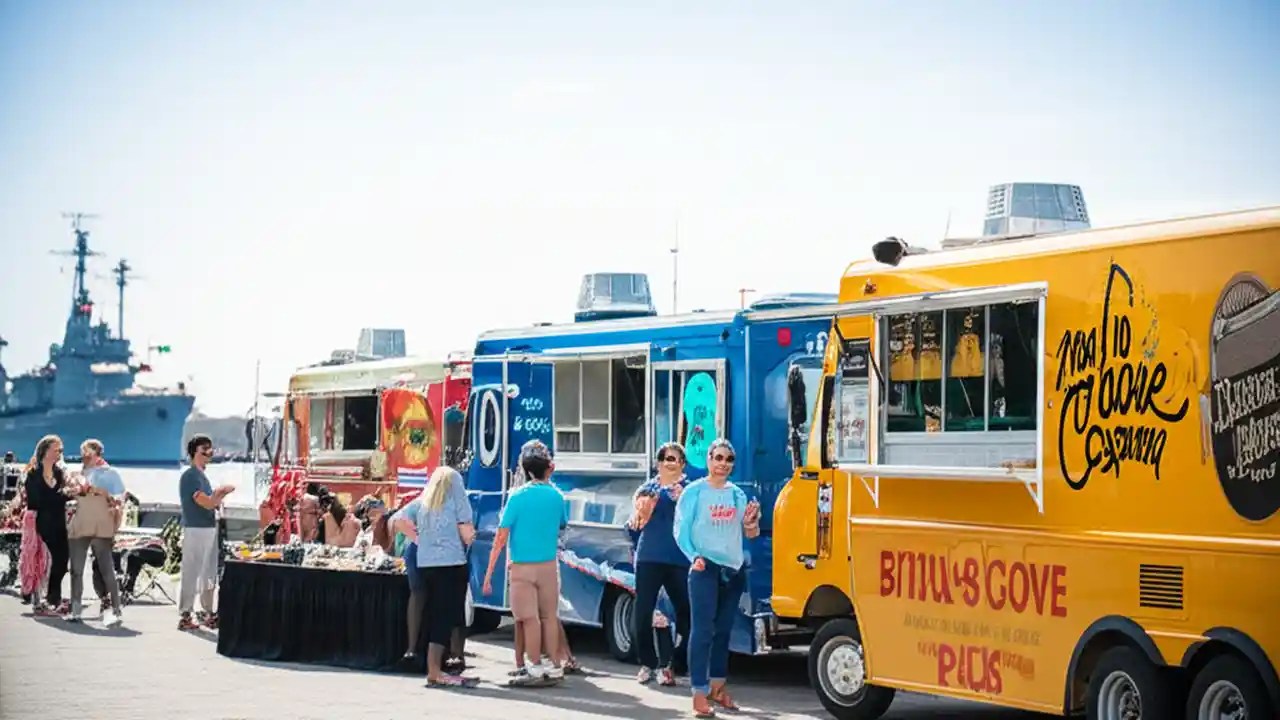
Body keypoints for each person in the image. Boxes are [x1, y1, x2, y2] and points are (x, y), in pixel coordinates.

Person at [674, 439, 761, 718]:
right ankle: (698, 693)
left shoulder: (737, 494)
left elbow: (750, 534)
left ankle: (718, 687)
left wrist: (752, 522)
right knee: (702, 632)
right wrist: (693, 557)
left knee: (723, 631)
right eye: (719, 457)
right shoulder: (694, 492)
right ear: (709, 459)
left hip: (732, 570)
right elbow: (680, 530)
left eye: (729, 459)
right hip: (705, 569)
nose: (723, 464)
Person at [483, 439, 567, 687]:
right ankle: (554, 665)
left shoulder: (517, 497)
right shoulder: (557, 496)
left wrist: (489, 574)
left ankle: (533, 666)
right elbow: (562, 526)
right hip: (548, 565)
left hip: (522, 566)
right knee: (550, 617)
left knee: (529, 619)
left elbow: (501, 536)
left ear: (527, 470)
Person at [395, 467, 476, 688]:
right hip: (452, 562)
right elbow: (466, 532)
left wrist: (421, 540)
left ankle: (433, 667)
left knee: (433, 614)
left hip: (427, 563)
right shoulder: (456, 496)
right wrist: (470, 538)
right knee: (446, 616)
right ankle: (435, 670)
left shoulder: (424, 501)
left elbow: (399, 521)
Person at [628, 441, 693, 685]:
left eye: (675, 459)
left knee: (686, 611)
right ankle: (648, 663)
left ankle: (675, 662)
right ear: (658, 463)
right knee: (642, 611)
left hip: (679, 558)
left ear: (683, 464)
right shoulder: (648, 489)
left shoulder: (689, 490)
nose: (670, 463)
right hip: (649, 557)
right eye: (666, 458)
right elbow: (635, 520)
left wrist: (681, 499)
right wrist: (641, 512)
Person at [177, 434, 235, 631]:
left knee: (208, 573)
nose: (209, 455)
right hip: (196, 528)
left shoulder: (201, 476)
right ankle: (186, 614)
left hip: (207, 528)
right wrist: (220, 494)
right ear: (194, 453)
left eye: (211, 451)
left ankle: (206, 612)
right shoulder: (191, 476)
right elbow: (204, 501)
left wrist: (217, 498)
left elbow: (210, 503)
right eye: (205, 451)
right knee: (192, 572)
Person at [66, 439, 125, 626]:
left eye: (86, 452)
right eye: (82, 452)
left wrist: (100, 493)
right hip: (82, 522)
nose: (83, 456)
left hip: (101, 525)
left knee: (107, 568)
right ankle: (76, 609)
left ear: (96, 453)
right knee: (76, 569)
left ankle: (116, 609)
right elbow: (69, 493)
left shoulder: (110, 473)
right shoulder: (78, 473)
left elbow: (120, 498)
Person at [23, 435, 72, 617]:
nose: (60, 453)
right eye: (57, 449)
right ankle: (45, 599)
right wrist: (64, 496)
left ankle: (53, 598)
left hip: (59, 521)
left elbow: (56, 498)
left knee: (62, 560)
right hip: (42, 523)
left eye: (61, 450)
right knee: (46, 561)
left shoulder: (59, 473)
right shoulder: (33, 474)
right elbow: (36, 502)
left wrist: (69, 494)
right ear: (46, 451)